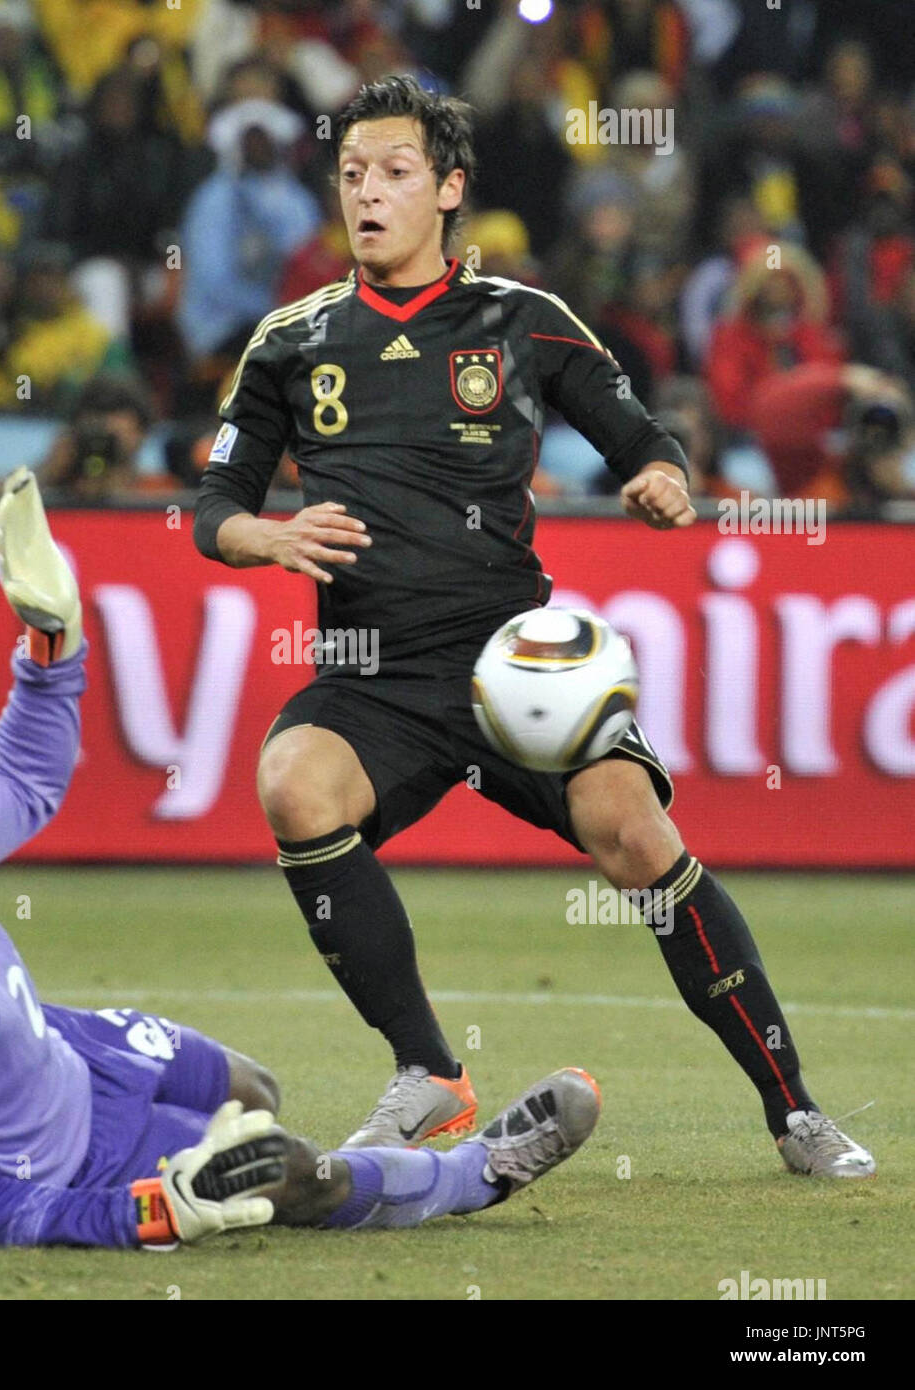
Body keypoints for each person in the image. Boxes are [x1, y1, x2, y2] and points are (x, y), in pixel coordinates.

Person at [193, 75, 875, 1177]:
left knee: (641, 841)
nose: (367, 193)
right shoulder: (290, 339)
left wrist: (659, 475)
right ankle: (430, 1076)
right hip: (374, 672)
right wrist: (260, 539)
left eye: (395, 173)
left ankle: (794, 1110)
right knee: (293, 785)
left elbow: (643, 435)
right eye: (353, 173)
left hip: (515, 665)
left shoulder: (523, 321)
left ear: (448, 188)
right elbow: (213, 507)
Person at [0, 468, 603, 1249]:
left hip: (44, 1049)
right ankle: (474, 1174)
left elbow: (24, 779)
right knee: (285, 1168)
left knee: (249, 1090)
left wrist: (51, 642)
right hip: (64, 1161)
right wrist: (149, 1210)